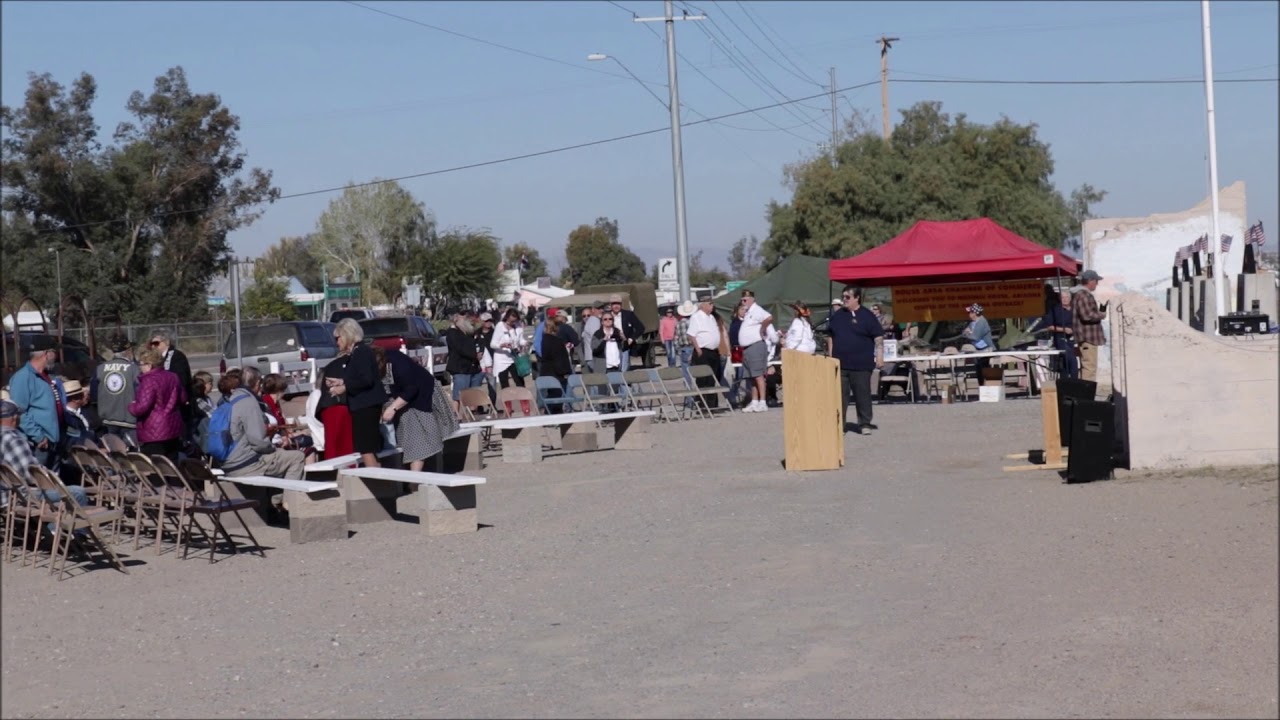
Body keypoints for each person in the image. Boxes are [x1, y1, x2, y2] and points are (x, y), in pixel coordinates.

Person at [0, 400, 91, 532]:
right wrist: (52, 479)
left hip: (6, 493)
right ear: (14, 418)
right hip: (17, 496)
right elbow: (32, 474)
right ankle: (68, 535)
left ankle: (53, 531)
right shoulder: (14, 440)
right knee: (77, 492)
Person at [376, 347, 459, 471]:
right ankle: (408, 477)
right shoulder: (380, 365)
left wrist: (392, 408)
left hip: (421, 397)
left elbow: (411, 389)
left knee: (418, 439)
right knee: (404, 439)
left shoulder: (398, 363)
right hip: (401, 397)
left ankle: (415, 480)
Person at [218, 372, 305, 480]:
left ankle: (277, 496)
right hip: (246, 465)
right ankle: (291, 496)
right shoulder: (248, 402)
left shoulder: (228, 402)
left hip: (227, 463)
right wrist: (273, 447)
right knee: (297, 457)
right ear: (258, 383)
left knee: (281, 457)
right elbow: (258, 441)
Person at [329, 318, 387, 469]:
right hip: (366, 404)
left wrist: (345, 387)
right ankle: (382, 481)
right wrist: (341, 382)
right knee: (370, 448)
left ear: (347, 335)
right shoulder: (358, 352)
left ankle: (376, 482)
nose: (336, 342)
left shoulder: (361, 351)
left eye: (338, 338)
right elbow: (360, 376)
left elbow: (366, 380)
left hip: (366, 405)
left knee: (365, 448)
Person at [827, 286, 884, 434]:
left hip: (861, 364)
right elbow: (831, 337)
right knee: (840, 397)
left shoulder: (867, 316)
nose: (844, 299)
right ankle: (840, 425)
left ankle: (864, 423)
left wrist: (880, 356)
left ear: (856, 298)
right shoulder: (838, 316)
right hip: (841, 364)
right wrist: (831, 356)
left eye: (847, 297)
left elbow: (878, 337)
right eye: (843, 296)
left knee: (862, 394)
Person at [8, 348, 65, 469]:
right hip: (38, 444)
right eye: (54, 352)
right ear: (46, 354)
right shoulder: (23, 377)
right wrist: (38, 436)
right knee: (38, 483)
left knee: (55, 483)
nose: (56, 356)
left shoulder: (46, 376)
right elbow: (19, 411)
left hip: (54, 441)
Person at [127, 347, 187, 462]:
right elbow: (183, 398)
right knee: (172, 465)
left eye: (141, 364)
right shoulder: (173, 376)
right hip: (172, 427)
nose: (140, 368)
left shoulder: (149, 380)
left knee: (155, 467)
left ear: (149, 365)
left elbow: (141, 408)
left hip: (153, 431)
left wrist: (132, 406)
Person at [94, 334, 140, 448]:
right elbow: (141, 393)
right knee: (130, 456)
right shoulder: (134, 369)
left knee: (113, 455)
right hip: (129, 420)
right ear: (128, 351)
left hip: (107, 420)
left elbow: (94, 395)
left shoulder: (100, 368)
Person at [316, 333, 353, 461]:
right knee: (347, 445)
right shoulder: (352, 363)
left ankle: (333, 473)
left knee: (333, 444)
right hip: (344, 405)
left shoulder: (331, 365)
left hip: (328, 406)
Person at [736, 289, 773, 413]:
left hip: (755, 346)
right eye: (742, 300)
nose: (743, 301)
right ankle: (754, 401)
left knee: (758, 375)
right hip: (747, 348)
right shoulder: (748, 313)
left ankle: (763, 401)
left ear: (752, 299)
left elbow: (769, 317)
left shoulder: (757, 310)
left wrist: (762, 328)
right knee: (751, 376)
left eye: (745, 299)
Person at [148, 330, 193, 429]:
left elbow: (181, 380)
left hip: (177, 404)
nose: (153, 347)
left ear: (166, 342)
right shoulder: (155, 359)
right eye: (151, 344)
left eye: (156, 343)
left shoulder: (176, 356)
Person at [260, 373, 314, 454]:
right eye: (283, 391)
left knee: (307, 439)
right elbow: (275, 426)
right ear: (279, 391)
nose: (284, 393)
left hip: (281, 437)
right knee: (308, 446)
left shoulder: (273, 403)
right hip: (276, 440)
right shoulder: (267, 405)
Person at [1071, 269, 1108, 383]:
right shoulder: (1083, 295)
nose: (1097, 284)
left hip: (1087, 338)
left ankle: (1085, 395)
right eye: (1096, 281)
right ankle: (1087, 397)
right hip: (1088, 338)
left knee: (1088, 368)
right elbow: (1086, 315)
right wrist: (1102, 314)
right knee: (1089, 369)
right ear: (1090, 281)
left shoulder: (1081, 294)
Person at [686, 296, 720, 408]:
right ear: (703, 305)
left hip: (713, 351)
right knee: (702, 379)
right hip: (703, 351)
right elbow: (691, 334)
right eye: (710, 304)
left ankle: (712, 404)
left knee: (712, 378)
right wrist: (698, 349)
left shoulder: (711, 317)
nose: (712, 306)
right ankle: (701, 405)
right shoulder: (696, 317)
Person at [445, 313, 483, 410]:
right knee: (458, 395)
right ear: (456, 318)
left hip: (474, 368)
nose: (466, 318)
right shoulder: (453, 332)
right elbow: (460, 348)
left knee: (474, 394)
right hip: (460, 368)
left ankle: (473, 414)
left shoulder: (469, 332)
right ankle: (456, 415)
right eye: (463, 316)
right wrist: (474, 355)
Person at [538, 316, 574, 413]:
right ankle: (555, 414)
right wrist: (565, 372)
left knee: (551, 395)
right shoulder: (556, 341)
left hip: (546, 371)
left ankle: (549, 413)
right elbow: (559, 359)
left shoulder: (544, 339)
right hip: (556, 373)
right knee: (557, 397)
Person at [1042, 289, 1077, 379]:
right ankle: (1074, 382)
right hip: (1060, 339)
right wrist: (1063, 329)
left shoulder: (1075, 309)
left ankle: (1067, 386)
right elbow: (1049, 326)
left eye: (1067, 297)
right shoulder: (1055, 310)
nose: (1065, 299)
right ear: (1059, 298)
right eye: (1062, 297)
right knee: (1071, 360)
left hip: (1074, 339)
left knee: (1066, 364)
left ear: (1070, 298)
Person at [489, 308, 527, 389]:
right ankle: (506, 401)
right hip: (501, 358)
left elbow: (520, 340)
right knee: (504, 383)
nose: (512, 323)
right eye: (511, 321)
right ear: (507, 317)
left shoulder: (518, 326)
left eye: (515, 321)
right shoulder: (500, 326)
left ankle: (524, 400)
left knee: (520, 381)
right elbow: (492, 344)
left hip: (514, 357)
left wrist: (525, 343)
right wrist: (502, 345)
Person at [610, 295, 645, 371]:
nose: (616, 306)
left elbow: (640, 328)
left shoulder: (628, 314)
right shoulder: (607, 316)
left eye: (618, 304)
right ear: (611, 305)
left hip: (624, 345)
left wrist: (631, 338)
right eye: (614, 304)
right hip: (611, 345)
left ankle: (623, 382)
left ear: (621, 305)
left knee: (624, 367)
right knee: (614, 367)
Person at [60, 380, 96, 451]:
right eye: (82, 395)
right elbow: (76, 439)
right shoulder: (68, 417)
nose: (85, 396)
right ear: (75, 399)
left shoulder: (82, 412)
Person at [961, 303, 995, 375]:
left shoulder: (982, 322)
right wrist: (968, 333)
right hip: (977, 349)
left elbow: (975, 337)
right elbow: (963, 333)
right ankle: (982, 384)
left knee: (984, 368)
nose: (969, 314)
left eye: (970, 312)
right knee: (979, 369)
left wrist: (968, 333)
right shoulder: (972, 323)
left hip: (985, 349)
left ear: (975, 313)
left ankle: (986, 384)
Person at [580, 305, 602, 372]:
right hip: (588, 357)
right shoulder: (581, 327)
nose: (586, 317)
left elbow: (596, 339)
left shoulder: (593, 322)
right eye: (584, 316)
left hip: (594, 356)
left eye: (588, 315)